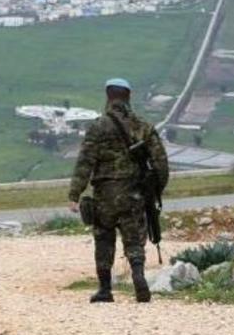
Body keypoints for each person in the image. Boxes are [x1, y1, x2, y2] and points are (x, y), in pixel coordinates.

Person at [67, 78, 169, 303]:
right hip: (133, 194)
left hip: (104, 195)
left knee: (104, 239)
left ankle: (105, 289)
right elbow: (161, 163)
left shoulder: (98, 126)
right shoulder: (142, 126)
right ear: (129, 96)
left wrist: (74, 195)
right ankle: (139, 278)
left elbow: (85, 162)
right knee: (134, 240)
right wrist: (154, 190)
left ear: (108, 96)